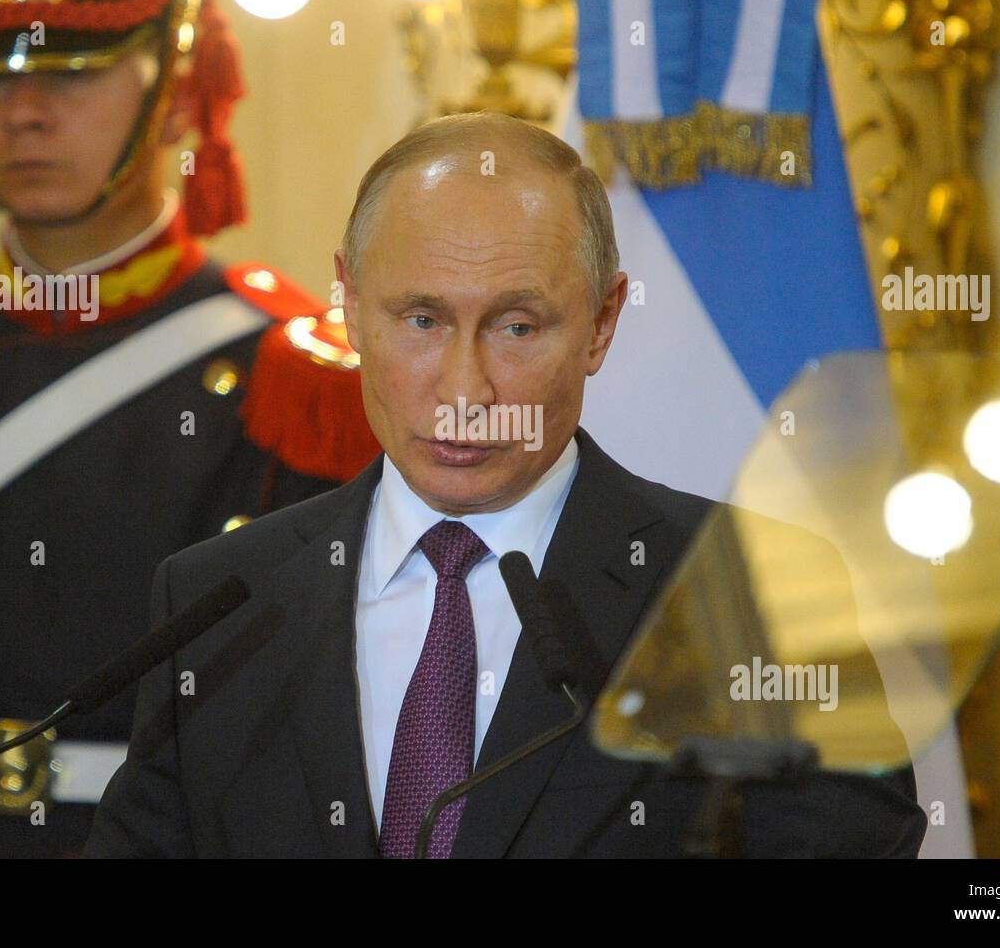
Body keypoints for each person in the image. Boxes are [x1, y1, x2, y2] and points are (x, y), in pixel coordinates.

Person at [85, 112, 927, 858]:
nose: (465, 390)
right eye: (421, 320)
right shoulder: (217, 607)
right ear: (346, 301)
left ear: (601, 323)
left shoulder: (752, 596)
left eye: (517, 326)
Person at [0, 0, 378, 858]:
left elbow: (319, 745)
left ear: (175, 92)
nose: (23, 111)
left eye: (74, 72)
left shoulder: (299, 382)